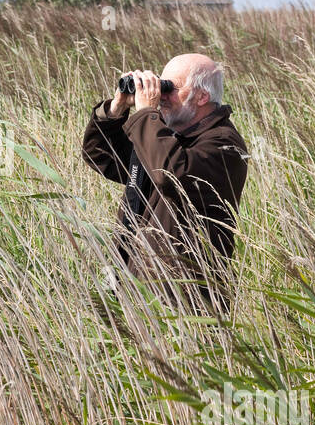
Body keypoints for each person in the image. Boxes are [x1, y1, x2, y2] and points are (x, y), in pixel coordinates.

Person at [82, 53, 249, 316]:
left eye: (170, 88)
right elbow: (100, 157)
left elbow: (170, 173)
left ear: (202, 96)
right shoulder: (166, 136)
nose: (161, 95)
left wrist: (147, 114)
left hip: (186, 301)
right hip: (136, 285)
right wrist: (115, 110)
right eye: (160, 85)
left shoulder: (224, 145)